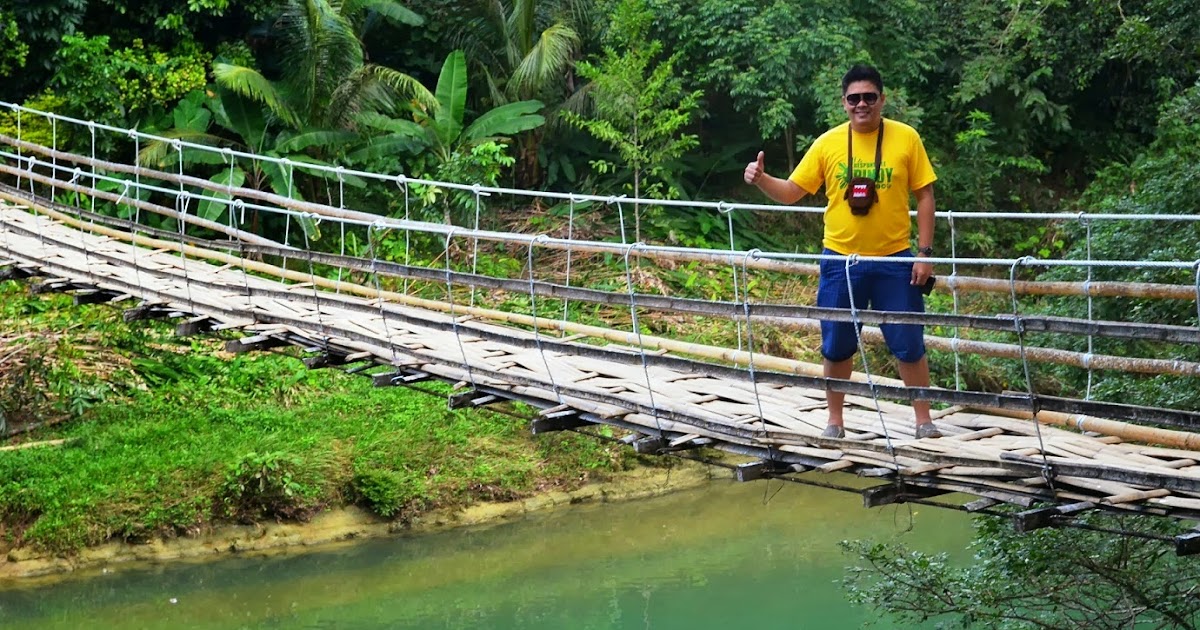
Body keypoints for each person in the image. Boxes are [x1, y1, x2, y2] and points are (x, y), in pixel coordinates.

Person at [743, 64, 940, 439]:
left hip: (895, 258)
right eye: (854, 98)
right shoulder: (828, 143)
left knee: (909, 342)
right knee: (836, 343)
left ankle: (923, 420)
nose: (861, 104)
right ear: (843, 103)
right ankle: (835, 421)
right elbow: (790, 193)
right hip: (840, 259)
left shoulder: (906, 138)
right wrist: (761, 179)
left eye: (869, 97)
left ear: (882, 99)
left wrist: (925, 253)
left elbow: (925, 194)